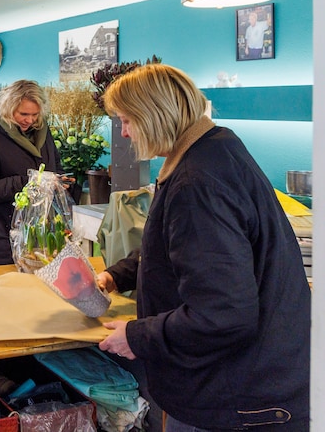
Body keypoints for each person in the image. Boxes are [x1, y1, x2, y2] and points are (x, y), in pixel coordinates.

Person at [97, 64, 310, 431]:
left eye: (126, 120)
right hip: (256, 383)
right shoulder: (215, 150)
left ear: (154, 114)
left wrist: (136, 336)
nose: (126, 132)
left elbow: (223, 314)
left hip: (236, 398)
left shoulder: (197, 184)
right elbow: (183, 249)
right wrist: (117, 275)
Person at [0, 80, 63, 266]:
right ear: (7, 109)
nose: (30, 120)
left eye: (35, 114)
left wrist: (59, 181)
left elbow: (55, 167)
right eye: (23, 114)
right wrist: (28, 182)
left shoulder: (42, 132)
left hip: (37, 240)